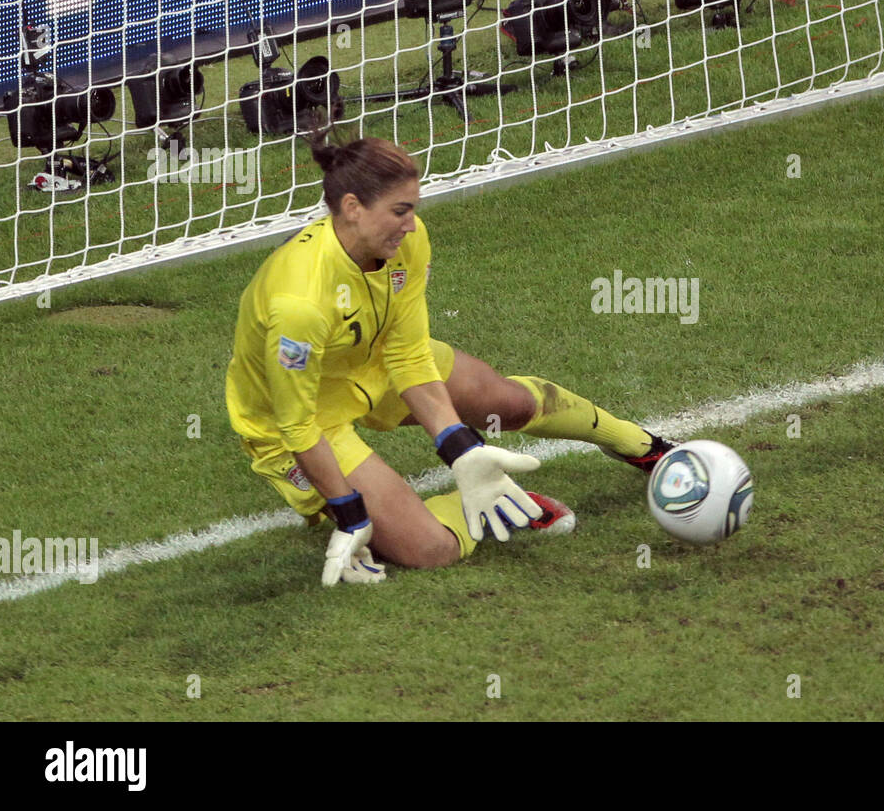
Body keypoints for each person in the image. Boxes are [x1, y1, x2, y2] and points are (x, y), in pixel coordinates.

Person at [225, 132, 673, 585]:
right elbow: (297, 424)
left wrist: (461, 449)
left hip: (371, 362)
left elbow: (407, 353)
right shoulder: (299, 302)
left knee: (508, 404)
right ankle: (494, 503)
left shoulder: (406, 243)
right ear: (353, 207)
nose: (410, 224)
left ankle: (643, 446)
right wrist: (349, 515)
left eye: (413, 209)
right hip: (298, 419)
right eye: (399, 211)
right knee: (430, 549)